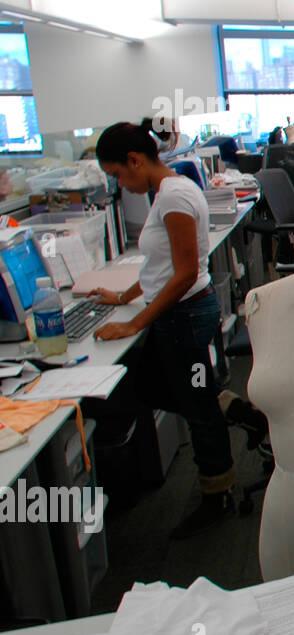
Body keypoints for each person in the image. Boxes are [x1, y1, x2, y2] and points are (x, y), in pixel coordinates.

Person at [90, 122, 235, 537]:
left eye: (118, 174)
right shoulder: (168, 191)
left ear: (135, 160)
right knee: (159, 390)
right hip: (180, 314)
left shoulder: (173, 196)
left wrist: (135, 322)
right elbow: (163, 266)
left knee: (197, 410)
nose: (121, 183)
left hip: (185, 318)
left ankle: (217, 493)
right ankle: (227, 405)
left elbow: (186, 272)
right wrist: (124, 297)